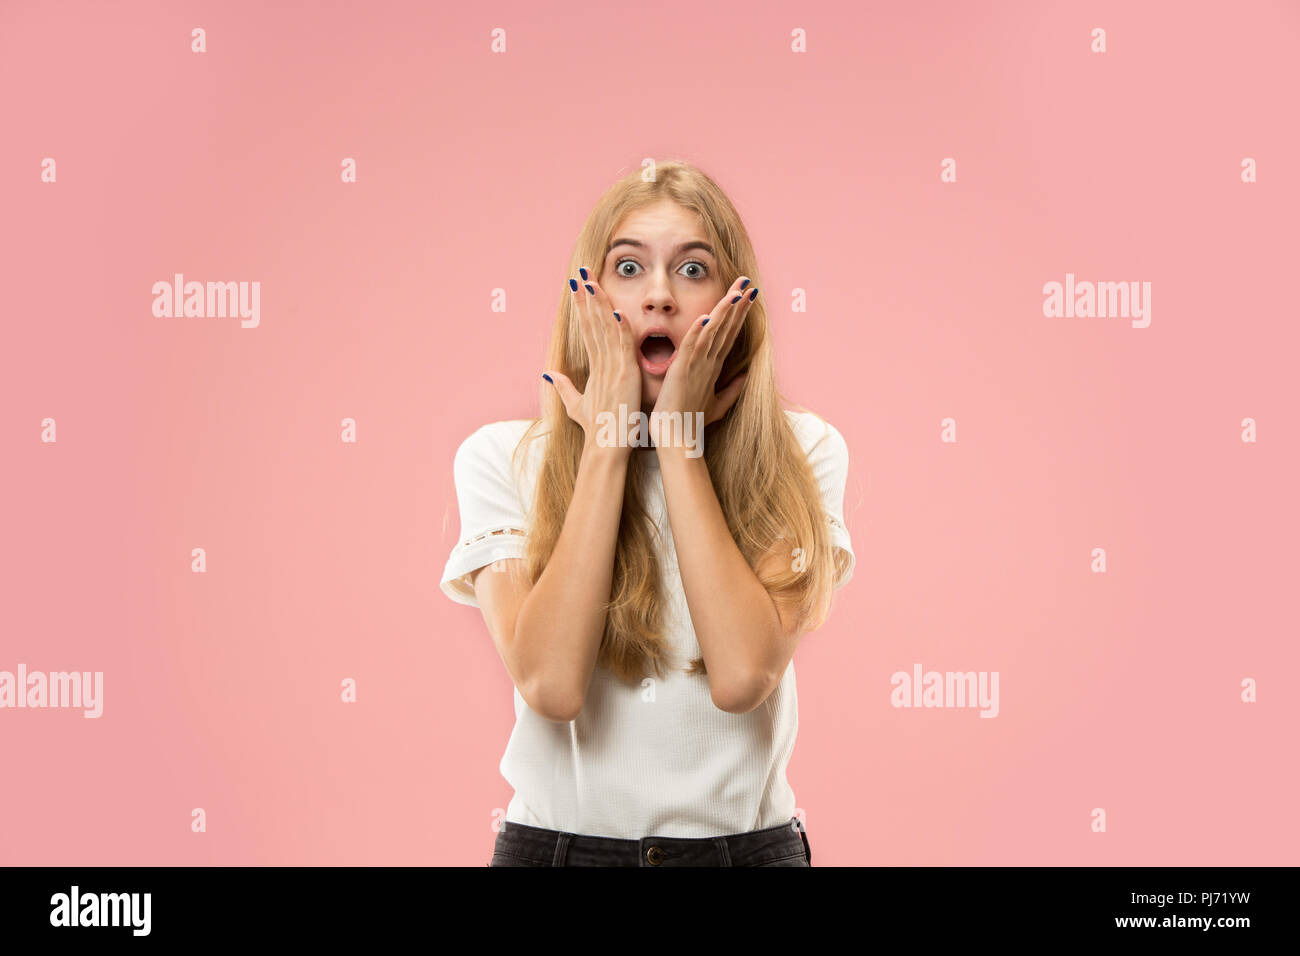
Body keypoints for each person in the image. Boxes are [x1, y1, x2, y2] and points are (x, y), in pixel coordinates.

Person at [440, 160, 854, 866]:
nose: (659, 296)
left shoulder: (804, 450)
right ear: (589, 299)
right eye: (628, 269)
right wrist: (607, 442)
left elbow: (743, 678)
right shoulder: (503, 457)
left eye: (693, 271)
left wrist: (677, 445)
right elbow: (550, 685)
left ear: (735, 300)